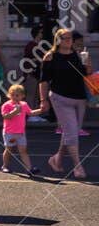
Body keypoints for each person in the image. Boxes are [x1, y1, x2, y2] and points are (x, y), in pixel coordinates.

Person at [38, 28, 88, 179]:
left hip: (80, 98)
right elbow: (44, 80)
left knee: (71, 131)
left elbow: (87, 74)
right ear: (58, 40)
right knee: (72, 132)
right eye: (65, 38)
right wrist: (43, 99)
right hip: (60, 98)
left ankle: (57, 160)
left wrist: (87, 62)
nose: (69, 41)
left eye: (70, 38)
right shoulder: (50, 56)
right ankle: (78, 166)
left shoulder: (79, 55)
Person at [0, 83, 39, 175]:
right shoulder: (7, 105)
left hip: (20, 133)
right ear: (9, 95)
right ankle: (5, 166)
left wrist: (41, 110)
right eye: (12, 95)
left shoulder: (24, 104)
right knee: (9, 149)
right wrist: (15, 111)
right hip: (9, 132)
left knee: (23, 151)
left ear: (22, 96)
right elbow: (6, 116)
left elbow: (30, 113)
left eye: (17, 95)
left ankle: (29, 169)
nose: (14, 97)